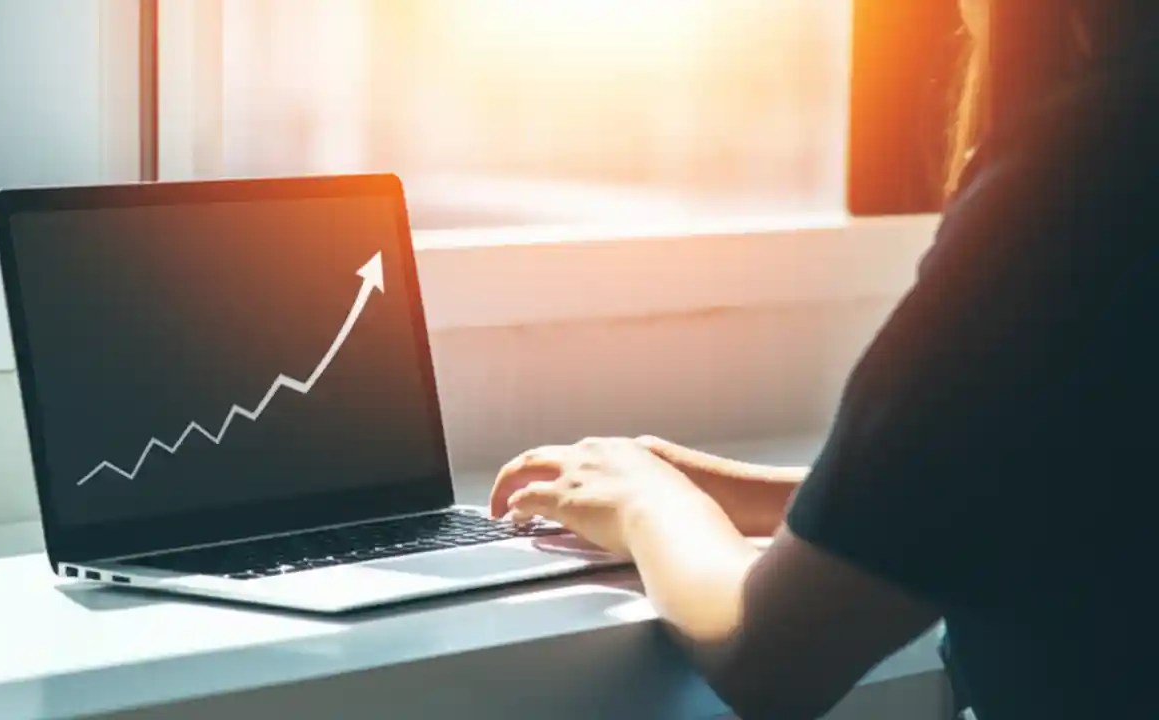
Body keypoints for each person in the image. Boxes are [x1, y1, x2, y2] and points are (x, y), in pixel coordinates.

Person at [489, 1, 1158, 718]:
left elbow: (765, 653)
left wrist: (648, 503)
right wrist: (770, 498)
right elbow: (1074, 483)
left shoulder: (1078, 181)